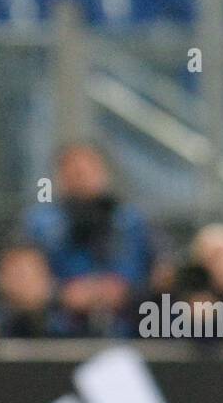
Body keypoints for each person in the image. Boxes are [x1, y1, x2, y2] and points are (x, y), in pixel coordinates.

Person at [21, 143, 157, 337]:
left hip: (130, 328)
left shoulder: (133, 222)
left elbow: (160, 272)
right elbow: (20, 277)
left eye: (88, 171)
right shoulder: (39, 225)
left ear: (104, 173)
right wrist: (60, 294)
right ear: (60, 177)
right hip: (56, 329)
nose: (82, 179)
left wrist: (127, 292)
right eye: (74, 173)